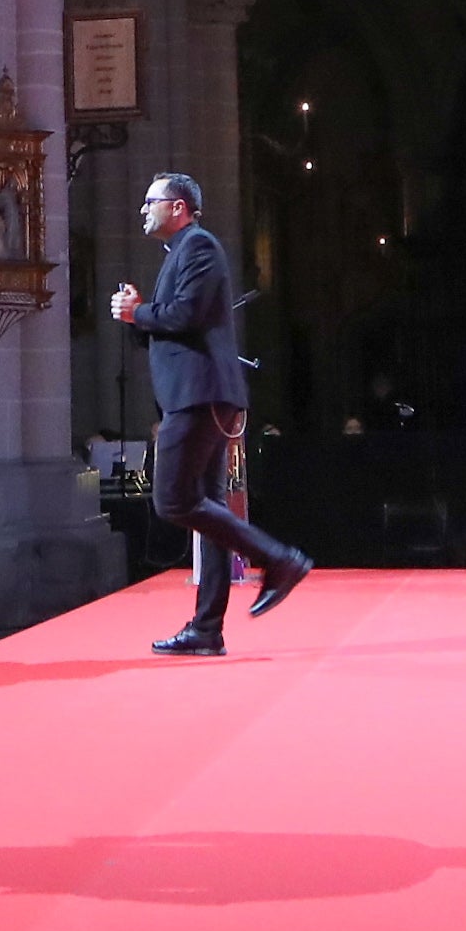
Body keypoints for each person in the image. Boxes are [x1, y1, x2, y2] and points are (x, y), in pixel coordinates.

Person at [110, 173, 306, 653]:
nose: (142, 210)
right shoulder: (183, 251)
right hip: (202, 392)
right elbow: (178, 320)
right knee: (209, 509)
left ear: (177, 207)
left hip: (200, 395)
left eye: (150, 202)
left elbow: (186, 316)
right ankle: (206, 628)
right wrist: (136, 315)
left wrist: (140, 313)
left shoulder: (198, 246)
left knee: (173, 502)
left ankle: (279, 559)